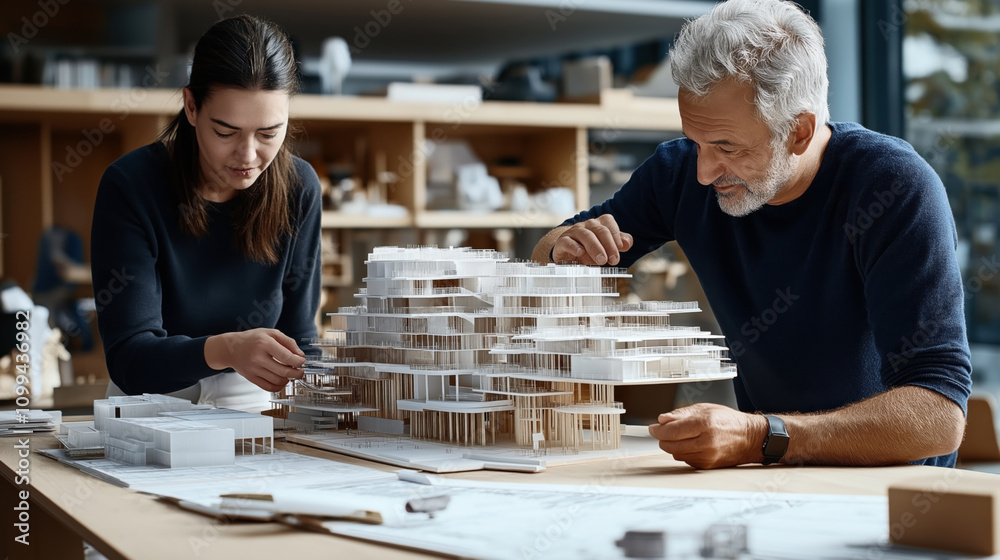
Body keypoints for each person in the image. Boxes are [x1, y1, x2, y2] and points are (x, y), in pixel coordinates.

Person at [533, 0, 971, 468]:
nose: (703, 172)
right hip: (768, 466)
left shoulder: (894, 187)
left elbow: (939, 415)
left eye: (726, 147)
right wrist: (562, 251)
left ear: (799, 131)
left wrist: (762, 436)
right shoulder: (679, 172)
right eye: (695, 142)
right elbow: (553, 252)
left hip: (884, 487)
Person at [91, 15, 321, 412]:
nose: (248, 157)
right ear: (191, 106)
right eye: (226, 132)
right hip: (151, 403)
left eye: (269, 133)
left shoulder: (299, 188)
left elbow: (300, 339)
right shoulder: (131, 185)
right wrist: (228, 349)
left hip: (253, 403)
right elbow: (130, 359)